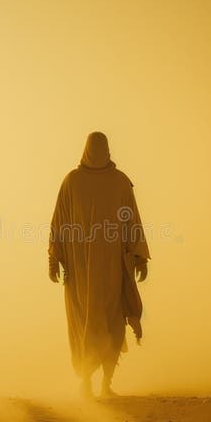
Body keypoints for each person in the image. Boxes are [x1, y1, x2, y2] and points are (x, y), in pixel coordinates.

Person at [48, 131, 150, 398]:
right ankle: (87, 382)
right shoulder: (72, 182)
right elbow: (60, 222)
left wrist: (139, 257)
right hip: (79, 270)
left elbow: (131, 222)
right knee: (87, 323)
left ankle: (105, 383)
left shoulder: (119, 183)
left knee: (111, 321)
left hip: (111, 269)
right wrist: (53, 258)